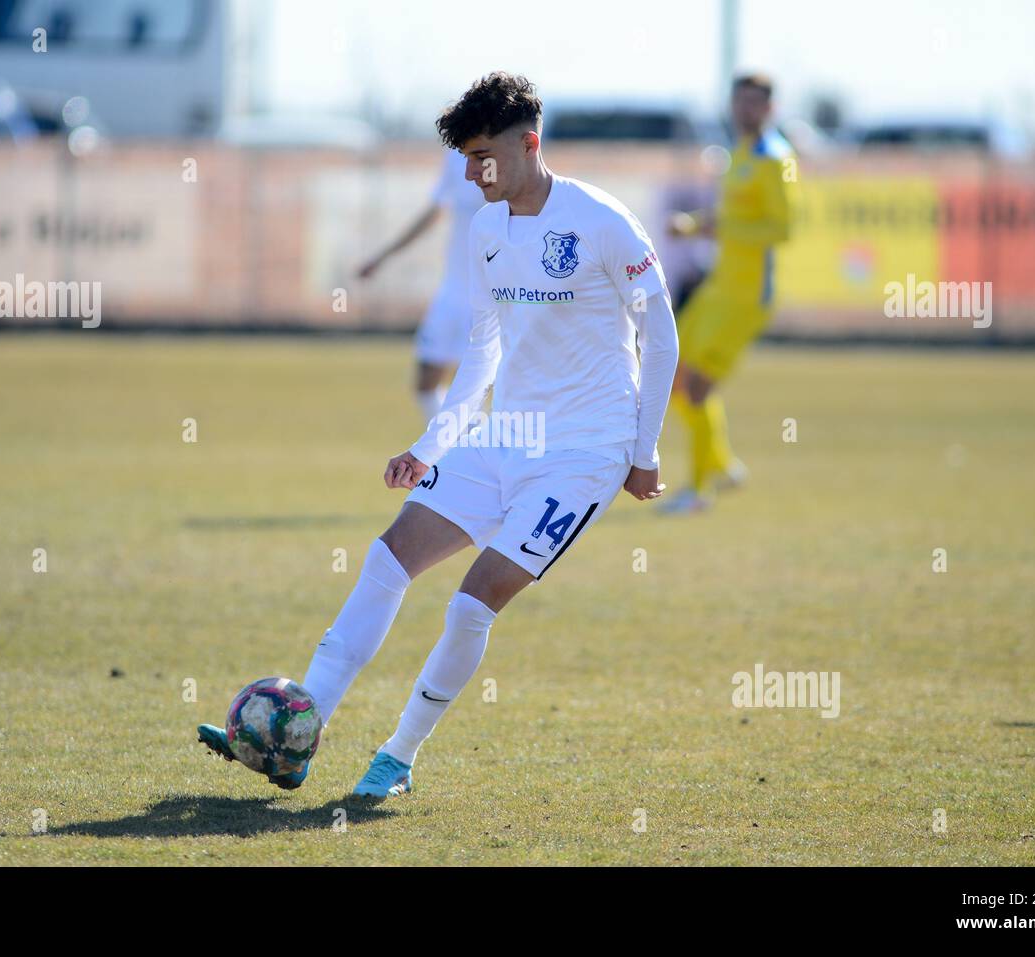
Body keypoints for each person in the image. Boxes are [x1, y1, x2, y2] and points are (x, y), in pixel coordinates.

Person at [200, 72, 679, 800]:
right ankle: (298, 732)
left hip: (584, 455)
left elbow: (662, 335)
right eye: (464, 157)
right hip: (502, 436)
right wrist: (430, 445)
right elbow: (480, 356)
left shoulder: (602, 220)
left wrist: (642, 453)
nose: (469, 173)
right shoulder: (486, 229)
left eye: (482, 155)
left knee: (469, 602)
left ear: (530, 143)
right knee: (389, 556)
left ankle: (396, 756)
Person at [660, 73, 793, 514]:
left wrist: (718, 227)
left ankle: (698, 491)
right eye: (740, 102)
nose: (746, 110)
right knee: (673, 376)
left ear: (770, 108)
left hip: (748, 294)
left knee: (696, 385)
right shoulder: (739, 154)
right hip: (720, 287)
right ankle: (721, 465)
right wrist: (696, 224)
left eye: (755, 103)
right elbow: (729, 214)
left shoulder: (775, 159)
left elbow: (782, 228)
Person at [357, 148, 486, 421]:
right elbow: (435, 210)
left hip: (491, 295)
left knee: (479, 389)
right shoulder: (455, 156)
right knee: (426, 383)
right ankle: (457, 448)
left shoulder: (507, 153)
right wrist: (383, 257)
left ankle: (479, 452)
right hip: (452, 292)